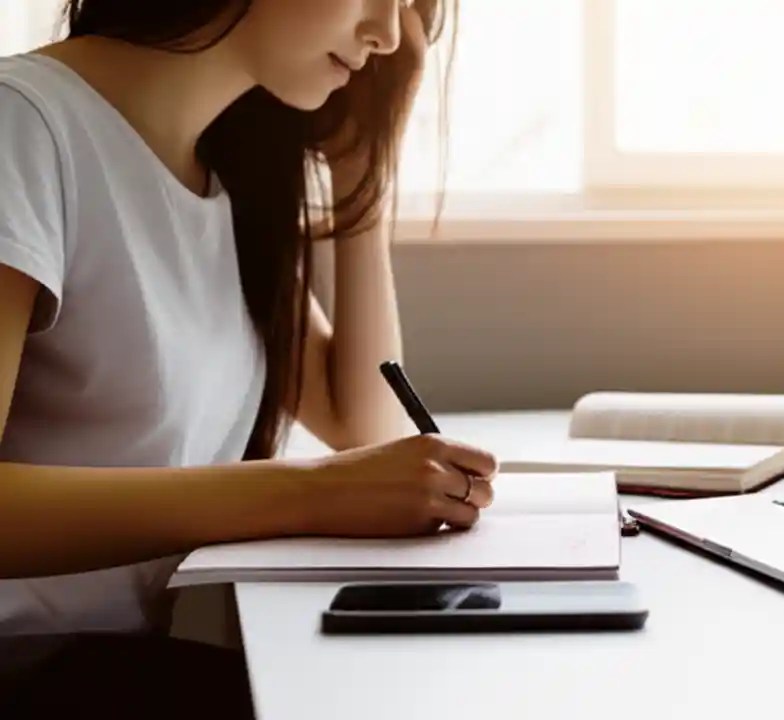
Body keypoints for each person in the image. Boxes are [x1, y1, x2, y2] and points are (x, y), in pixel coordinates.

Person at [0, 0, 495, 715]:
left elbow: (370, 428)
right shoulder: (25, 127)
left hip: (112, 669)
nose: (389, 34)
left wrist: (363, 171)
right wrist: (309, 492)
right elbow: (353, 468)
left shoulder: (222, 180)